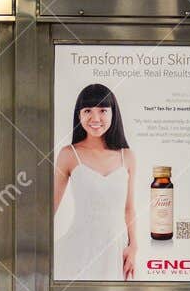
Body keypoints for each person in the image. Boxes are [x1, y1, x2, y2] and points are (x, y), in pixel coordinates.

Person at [52, 83, 137, 280]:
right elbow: (51, 207)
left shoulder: (127, 156)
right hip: (78, 249)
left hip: (117, 250)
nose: (95, 118)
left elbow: (129, 209)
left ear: (113, 114)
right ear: (79, 115)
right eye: (88, 110)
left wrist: (134, 247)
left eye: (103, 110)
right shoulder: (69, 154)